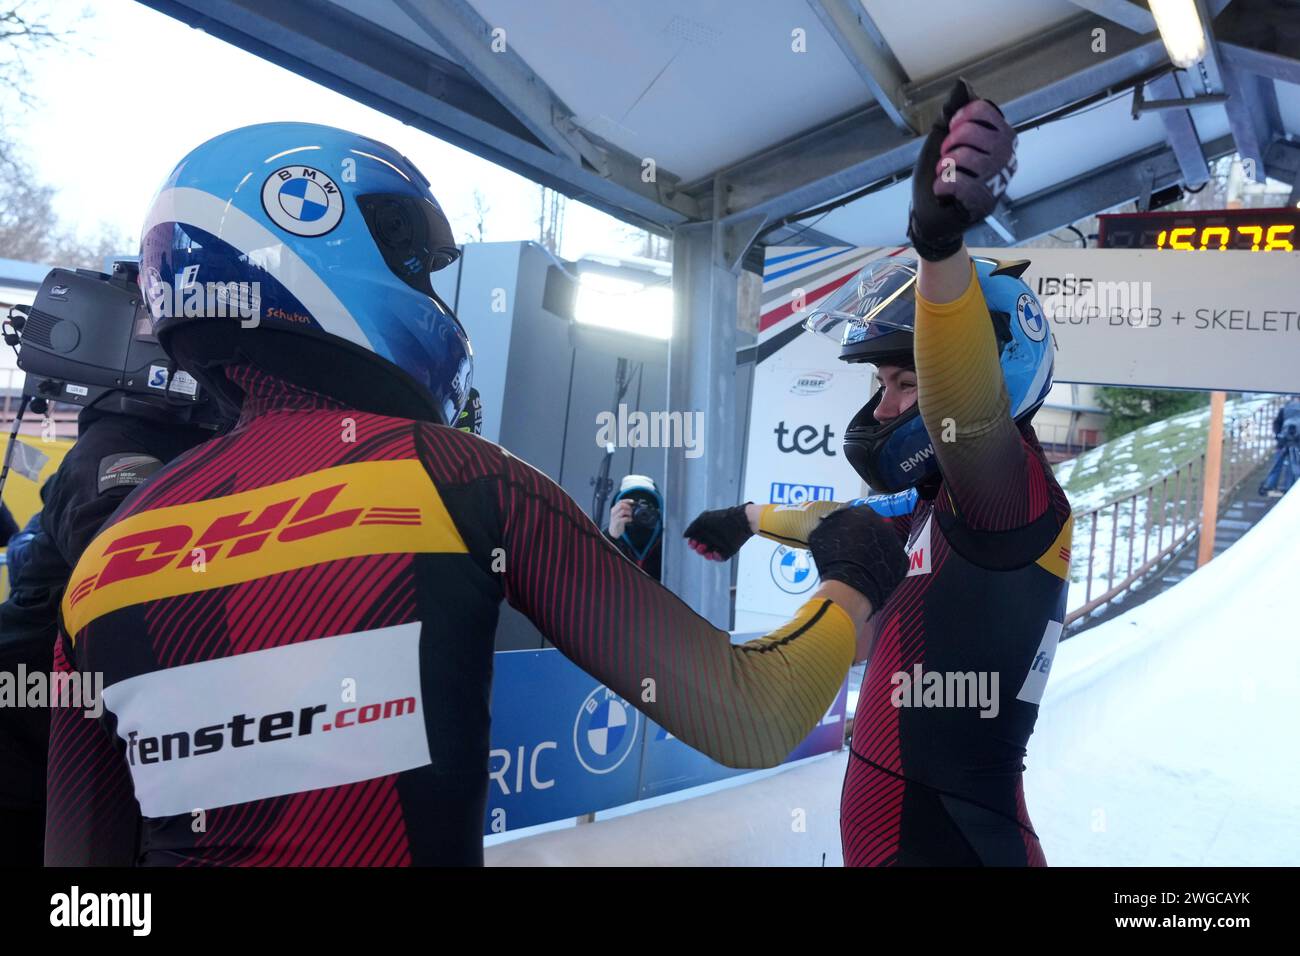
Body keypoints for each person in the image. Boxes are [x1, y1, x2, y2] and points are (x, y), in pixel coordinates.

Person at [44, 122, 910, 866]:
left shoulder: (105, 558)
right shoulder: (459, 479)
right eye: (416, 266)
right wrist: (852, 582)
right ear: (327, 244)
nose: (432, 296)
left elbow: (78, 891)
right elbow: (750, 714)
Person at [685, 80, 1073, 866]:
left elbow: (968, 410)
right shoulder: (946, 512)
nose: (886, 407)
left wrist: (940, 252)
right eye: (881, 386)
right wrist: (749, 519)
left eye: (908, 384)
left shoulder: (1012, 495)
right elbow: (846, 527)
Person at [0, 395, 226, 865]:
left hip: (84, 740)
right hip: (35, 735)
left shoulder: (198, 445)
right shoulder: (119, 448)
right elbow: (137, 593)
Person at [605, 475, 663, 580]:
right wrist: (611, 538)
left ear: (659, 510)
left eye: (646, 505)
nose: (641, 513)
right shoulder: (598, 542)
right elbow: (592, 578)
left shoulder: (670, 545)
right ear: (616, 510)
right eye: (633, 507)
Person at [1259, 397, 1300, 496]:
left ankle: (1269, 485)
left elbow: (1276, 423)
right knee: (1292, 466)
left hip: (1282, 441)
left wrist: (1278, 435)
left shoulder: (1285, 408)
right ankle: (1289, 487)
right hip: (1297, 442)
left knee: (1277, 464)